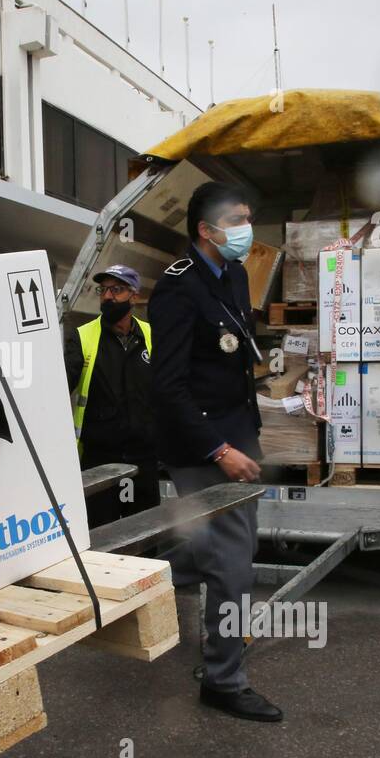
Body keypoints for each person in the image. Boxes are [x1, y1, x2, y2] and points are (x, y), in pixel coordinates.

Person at [150, 181, 281, 723]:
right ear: (205, 230)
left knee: (223, 558)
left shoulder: (230, 273)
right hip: (204, 445)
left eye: (249, 217)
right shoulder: (177, 289)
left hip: (234, 435)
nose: (246, 229)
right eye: (236, 220)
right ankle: (224, 681)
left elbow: (232, 355)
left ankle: (210, 646)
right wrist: (220, 447)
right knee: (231, 567)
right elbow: (168, 385)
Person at [64, 264, 158, 527]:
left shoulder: (152, 336)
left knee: (144, 533)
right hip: (100, 458)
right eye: (103, 290)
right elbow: (60, 388)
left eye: (116, 290)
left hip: (143, 458)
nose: (107, 296)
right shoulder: (83, 337)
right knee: (101, 534)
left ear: (134, 295)